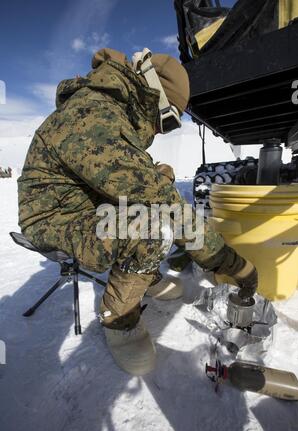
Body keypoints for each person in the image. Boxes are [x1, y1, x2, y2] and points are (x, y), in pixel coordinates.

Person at [18, 48, 258, 376]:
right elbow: (161, 202)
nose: (161, 131)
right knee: (153, 227)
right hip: (55, 218)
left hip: (86, 205)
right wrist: (233, 264)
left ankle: (142, 274)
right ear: (151, 95)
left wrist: (159, 177)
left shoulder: (110, 108)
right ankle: (119, 318)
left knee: (158, 184)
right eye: (169, 120)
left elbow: (135, 178)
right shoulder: (94, 114)